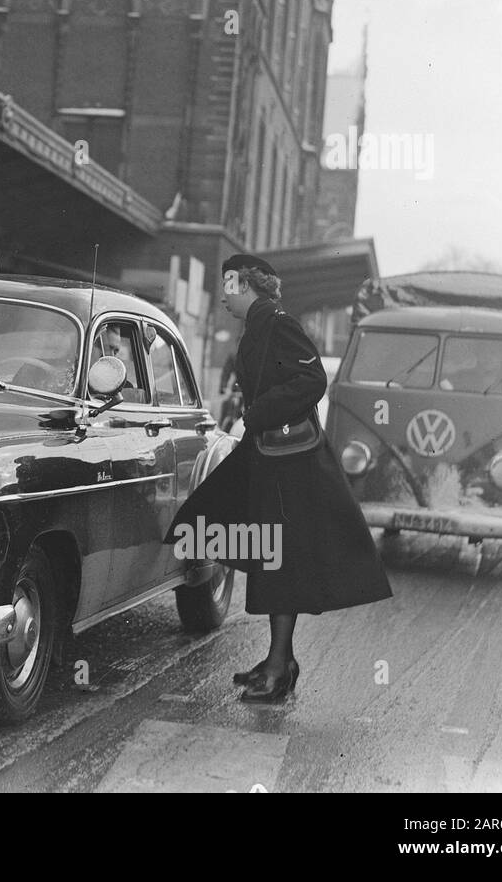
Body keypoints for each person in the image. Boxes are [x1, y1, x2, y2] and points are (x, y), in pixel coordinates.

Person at [166, 254, 392, 702]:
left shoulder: (276, 322)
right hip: (271, 455)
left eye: (228, 285)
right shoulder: (260, 322)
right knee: (236, 540)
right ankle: (280, 661)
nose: (224, 295)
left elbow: (311, 380)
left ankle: (278, 665)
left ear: (245, 284)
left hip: (288, 462)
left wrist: (259, 412)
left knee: (276, 560)